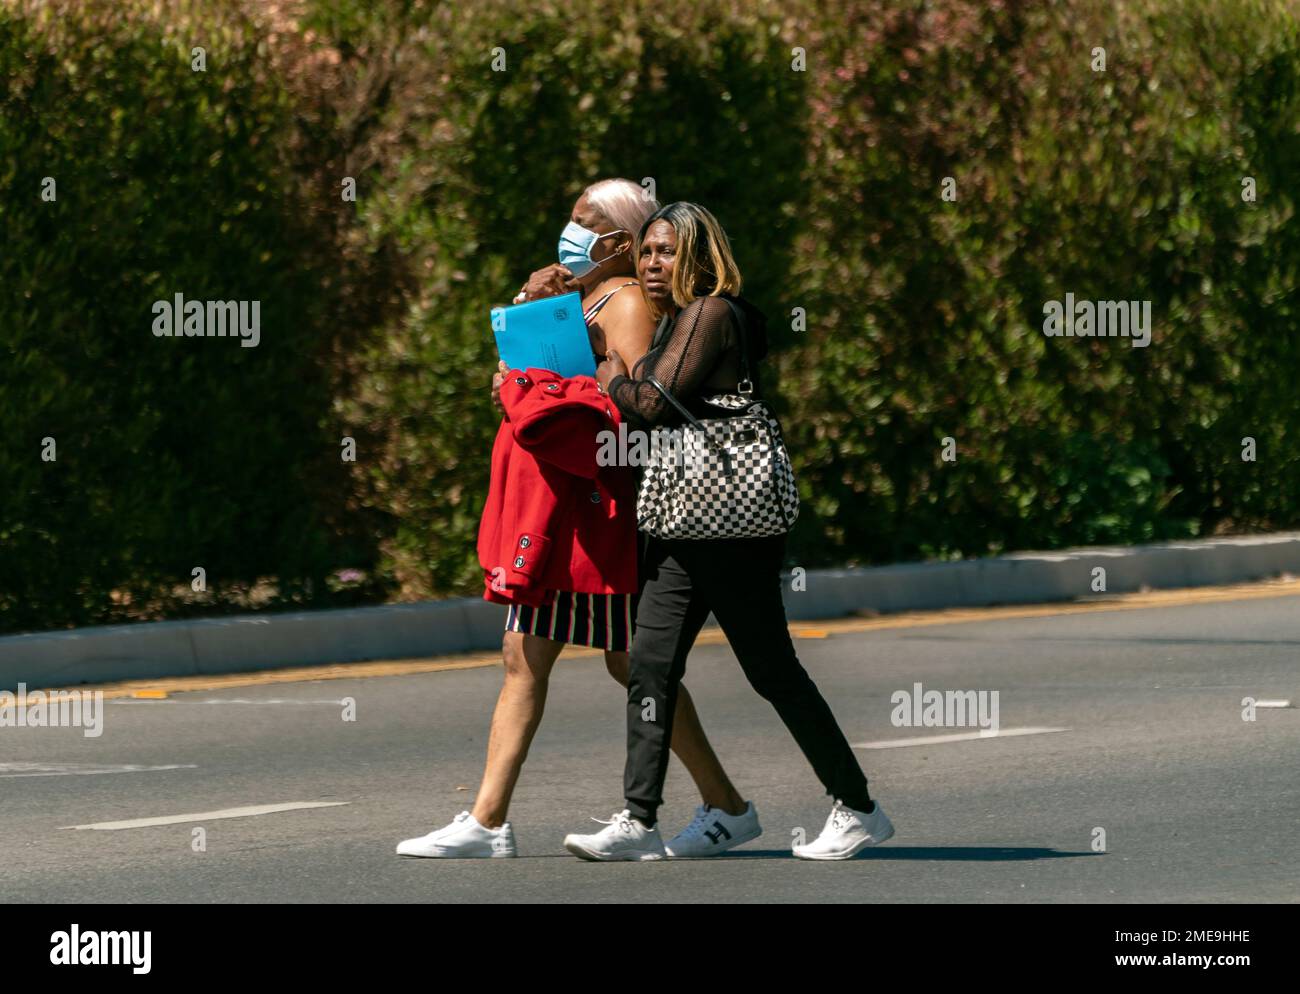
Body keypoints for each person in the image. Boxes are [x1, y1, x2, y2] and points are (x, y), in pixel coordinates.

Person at [397, 181, 757, 858]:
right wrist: (536, 309)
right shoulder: (583, 296)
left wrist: (549, 376)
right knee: (531, 654)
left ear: (618, 243)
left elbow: (630, 404)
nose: (570, 232)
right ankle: (488, 821)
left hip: (601, 516)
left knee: (630, 664)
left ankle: (724, 804)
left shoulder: (623, 302)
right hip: (563, 510)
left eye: (585, 223)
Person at [563, 201, 894, 861]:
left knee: (772, 671)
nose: (651, 263)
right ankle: (639, 820)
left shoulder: (713, 313)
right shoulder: (679, 324)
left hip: (732, 530)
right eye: (646, 251)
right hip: (684, 528)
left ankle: (857, 808)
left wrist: (611, 373)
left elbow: (653, 404)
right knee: (649, 665)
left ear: (698, 256)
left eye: (665, 252)